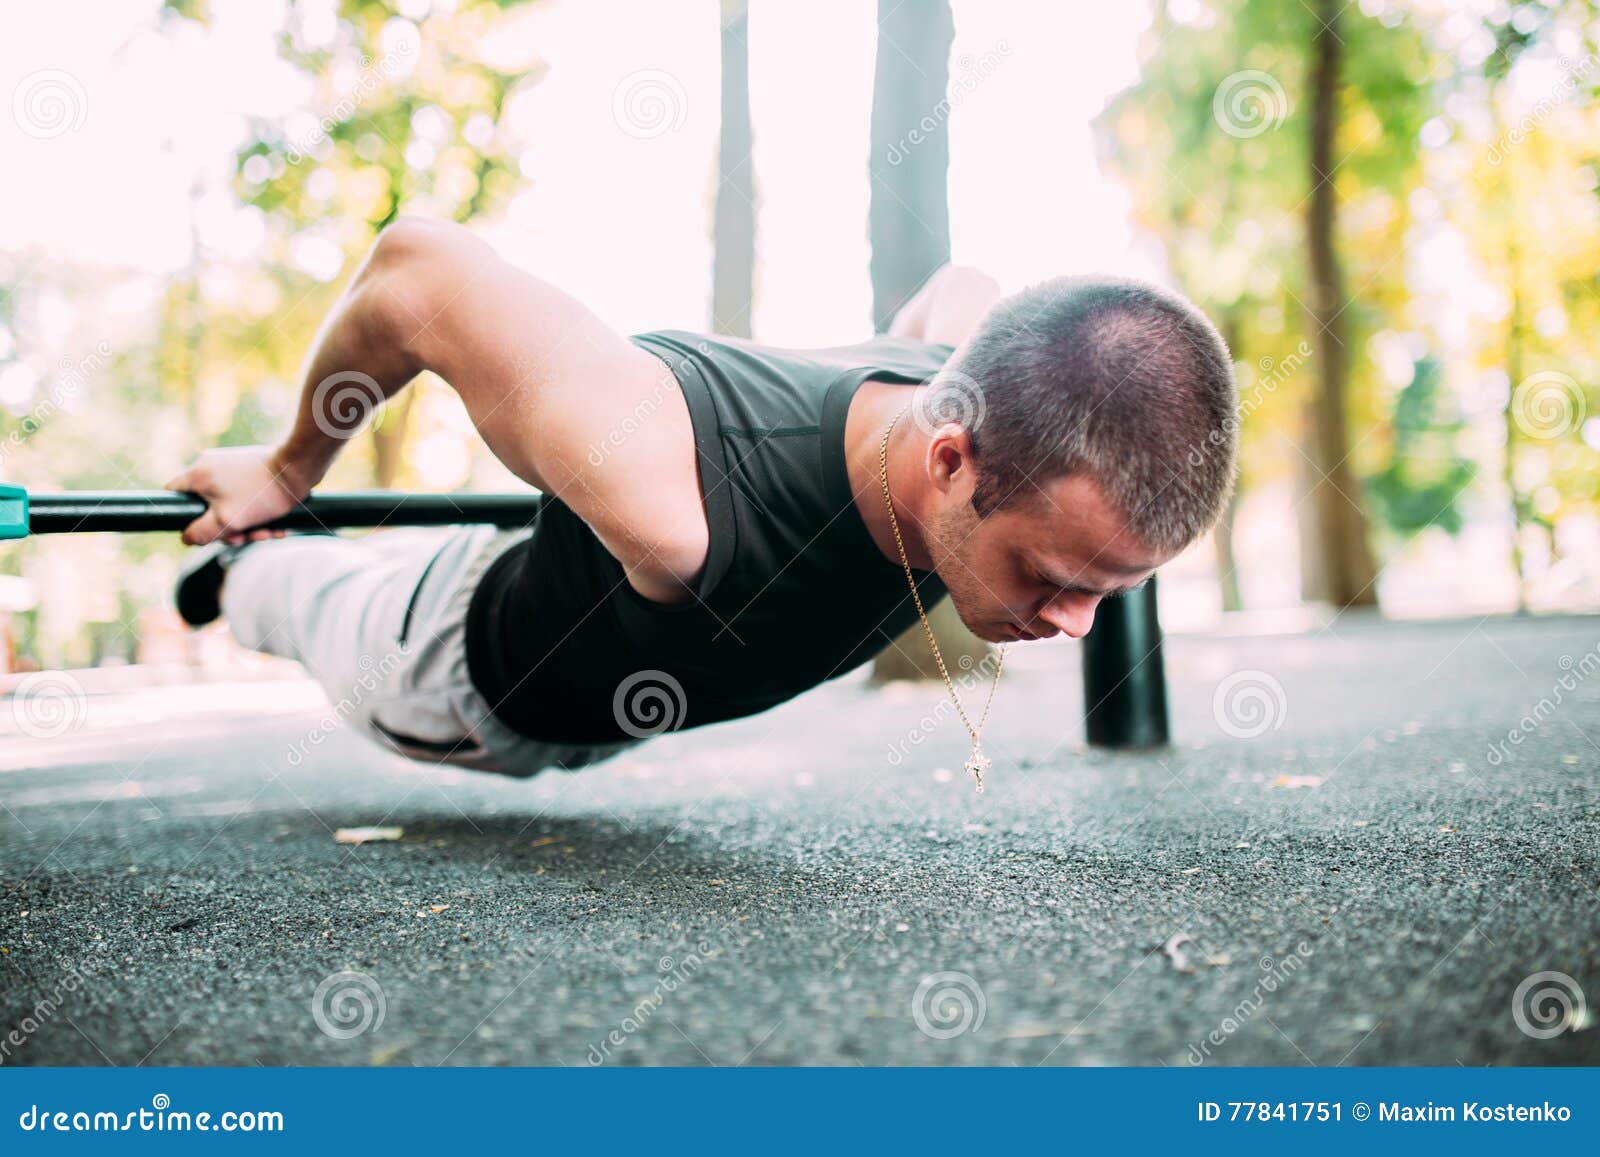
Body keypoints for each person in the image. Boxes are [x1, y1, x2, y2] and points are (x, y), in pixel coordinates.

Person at [167, 217, 1237, 778]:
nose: (1076, 624)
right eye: (1052, 580)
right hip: (462, 678)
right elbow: (418, 273)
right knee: (292, 588)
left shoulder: (963, 372)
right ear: (950, 457)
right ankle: (237, 573)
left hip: (577, 594)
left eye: (1111, 589)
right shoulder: (665, 491)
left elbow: (967, 289)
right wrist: (289, 470)